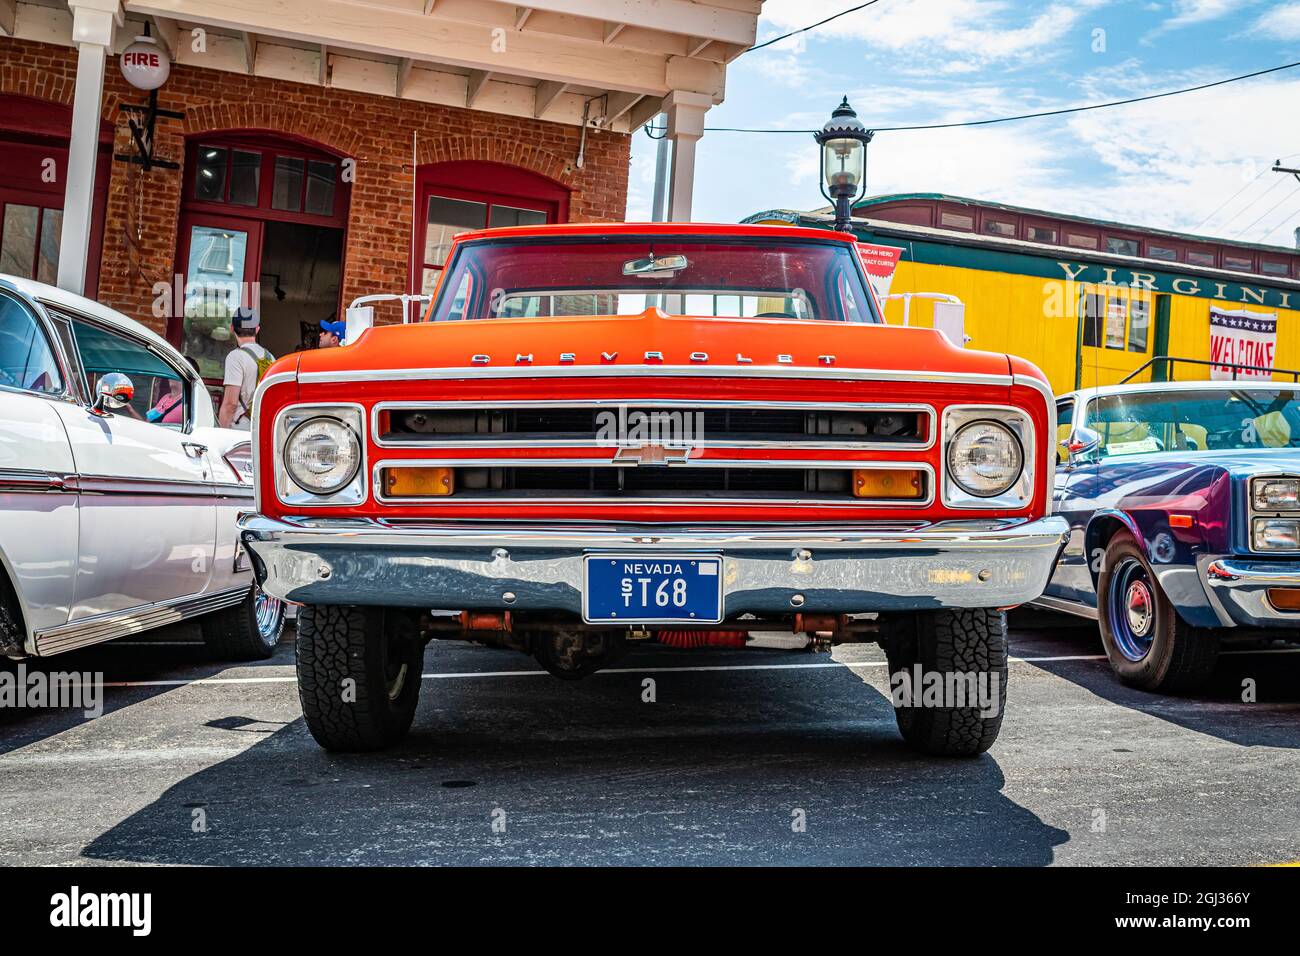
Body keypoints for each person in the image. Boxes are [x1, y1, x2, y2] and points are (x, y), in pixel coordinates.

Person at [218, 306, 274, 430]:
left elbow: (230, 404)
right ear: (257, 329)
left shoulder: (236, 357)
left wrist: (221, 432)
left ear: (232, 328)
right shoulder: (271, 358)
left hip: (240, 429)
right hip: (263, 428)